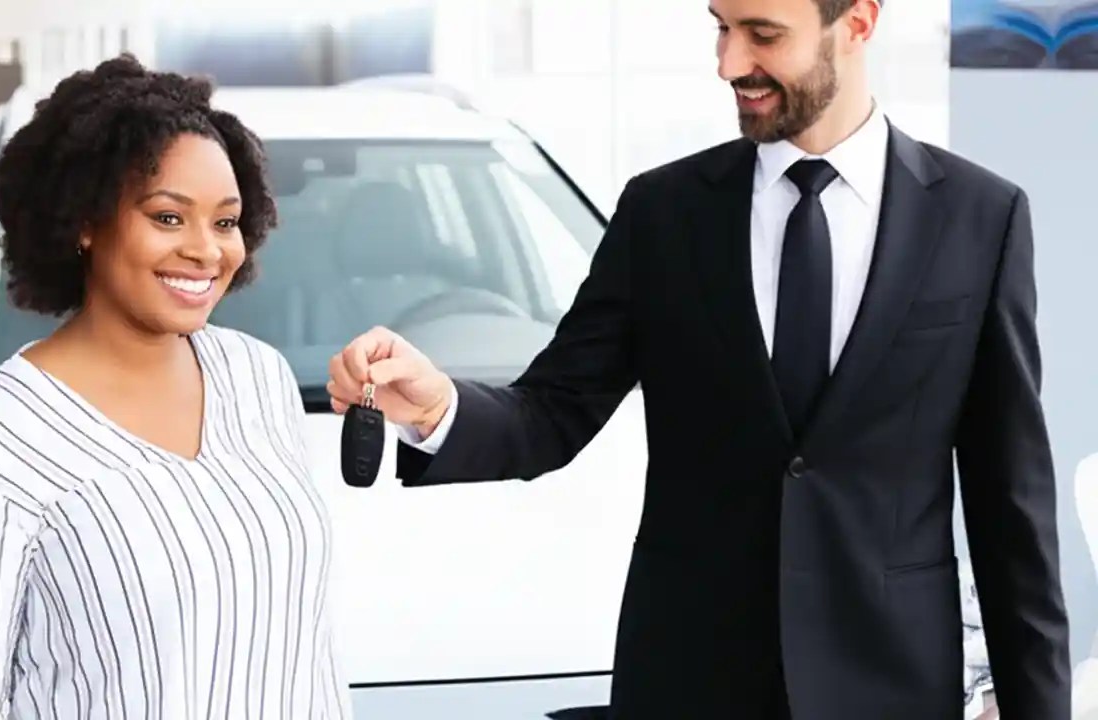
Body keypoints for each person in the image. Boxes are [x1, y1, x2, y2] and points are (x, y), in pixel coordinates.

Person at [329, 0, 1070, 717]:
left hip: (891, 685)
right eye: (720, 29)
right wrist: (433, 407)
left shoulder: (980, 218)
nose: (728, 63)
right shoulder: (664, 212)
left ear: (857, 23)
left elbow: (1012, 511)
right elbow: (552, 413)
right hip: (689, 681)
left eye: (762, 34)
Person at [0, 54, 352, 719]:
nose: (207, 249)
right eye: (168, 217)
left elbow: (309, 659)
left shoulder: (258, 377)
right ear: (85, 220)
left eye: (225, 221)